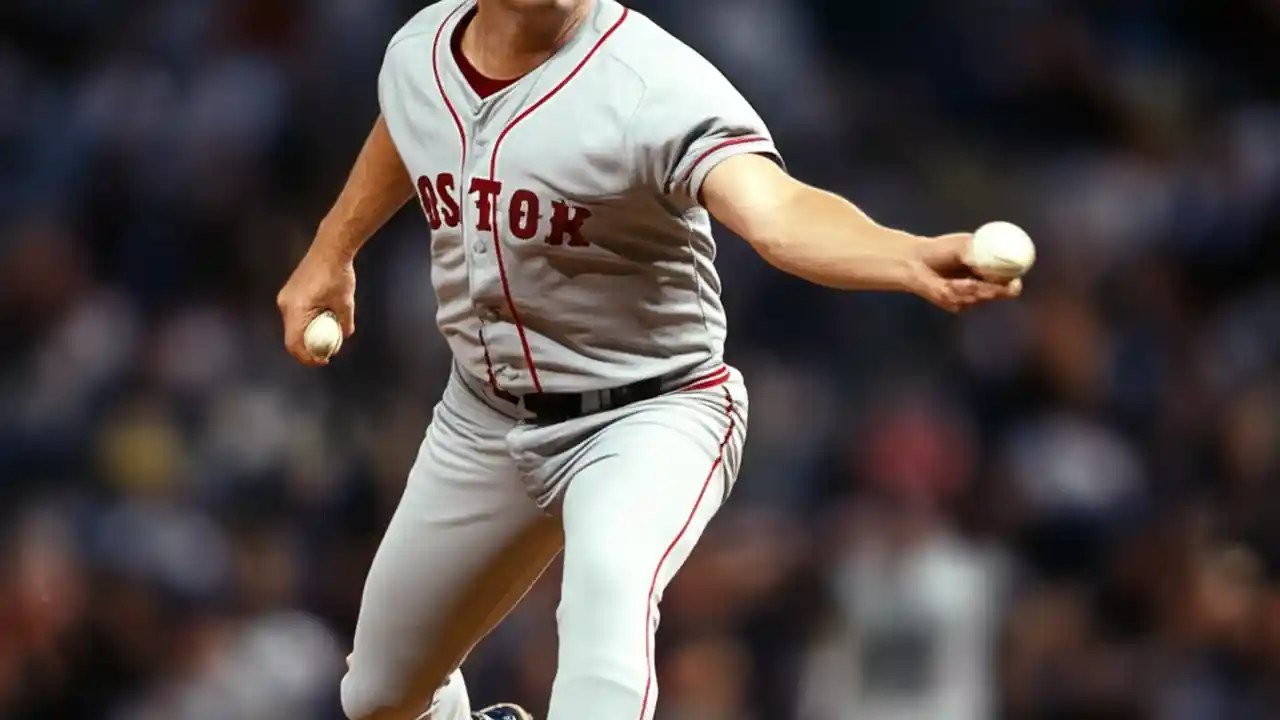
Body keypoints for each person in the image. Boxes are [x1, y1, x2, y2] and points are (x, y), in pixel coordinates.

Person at [275, 1, 1019, 718]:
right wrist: (332, 250)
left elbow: (779, 212)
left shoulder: (652, 84)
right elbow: (412, 125)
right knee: (380, 696)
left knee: (607, 595)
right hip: (484, 416)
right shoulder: (421, 53)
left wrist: (904, 254)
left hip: (647, 413)